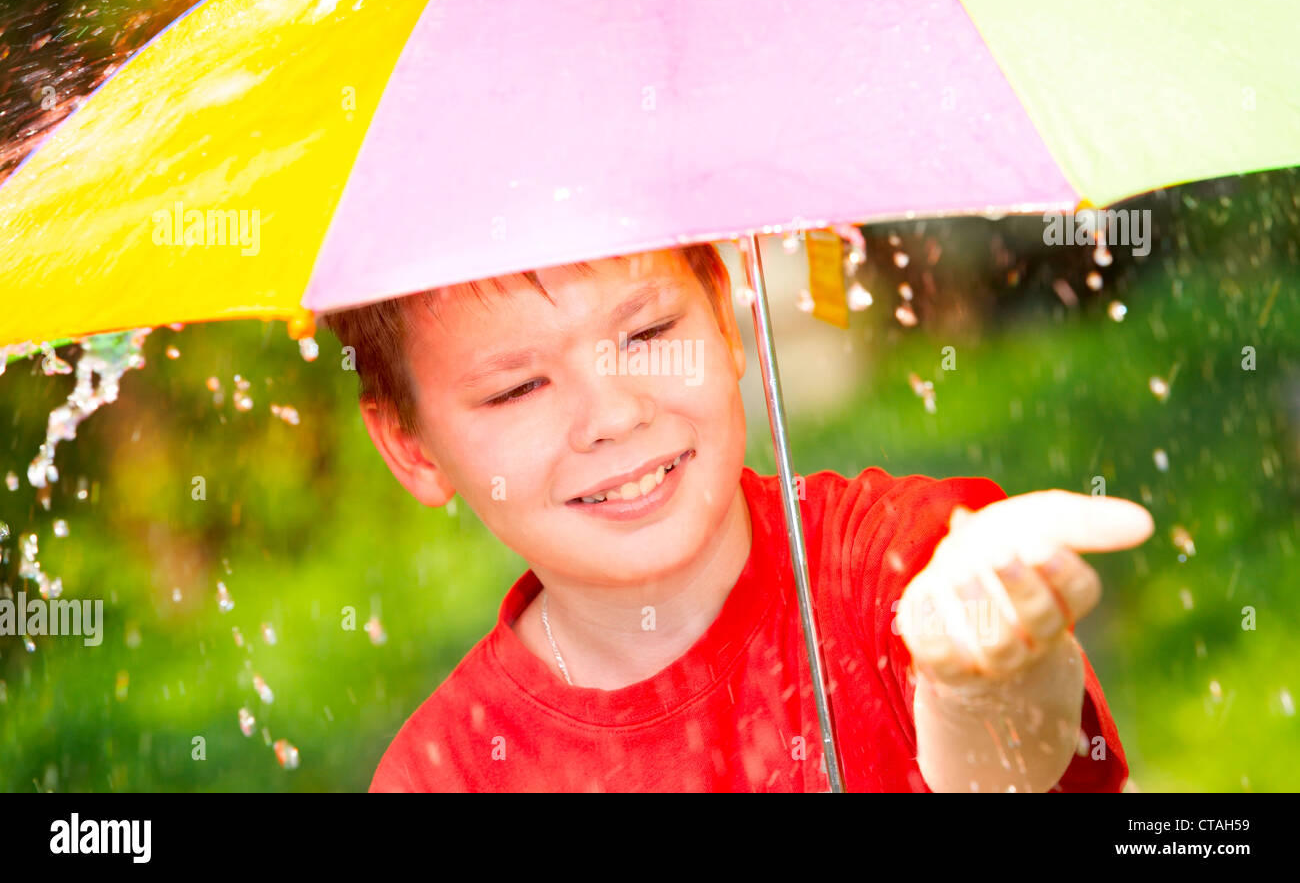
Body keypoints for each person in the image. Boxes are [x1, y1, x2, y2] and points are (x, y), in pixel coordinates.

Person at [320, 240, 1151, 792]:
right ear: (414, 449)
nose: (612, 413)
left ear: (722, 315)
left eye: (647, 333)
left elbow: (1020, 767)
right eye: (516, 388)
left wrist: (982, 687)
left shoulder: (895, 565)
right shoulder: (449, 774)